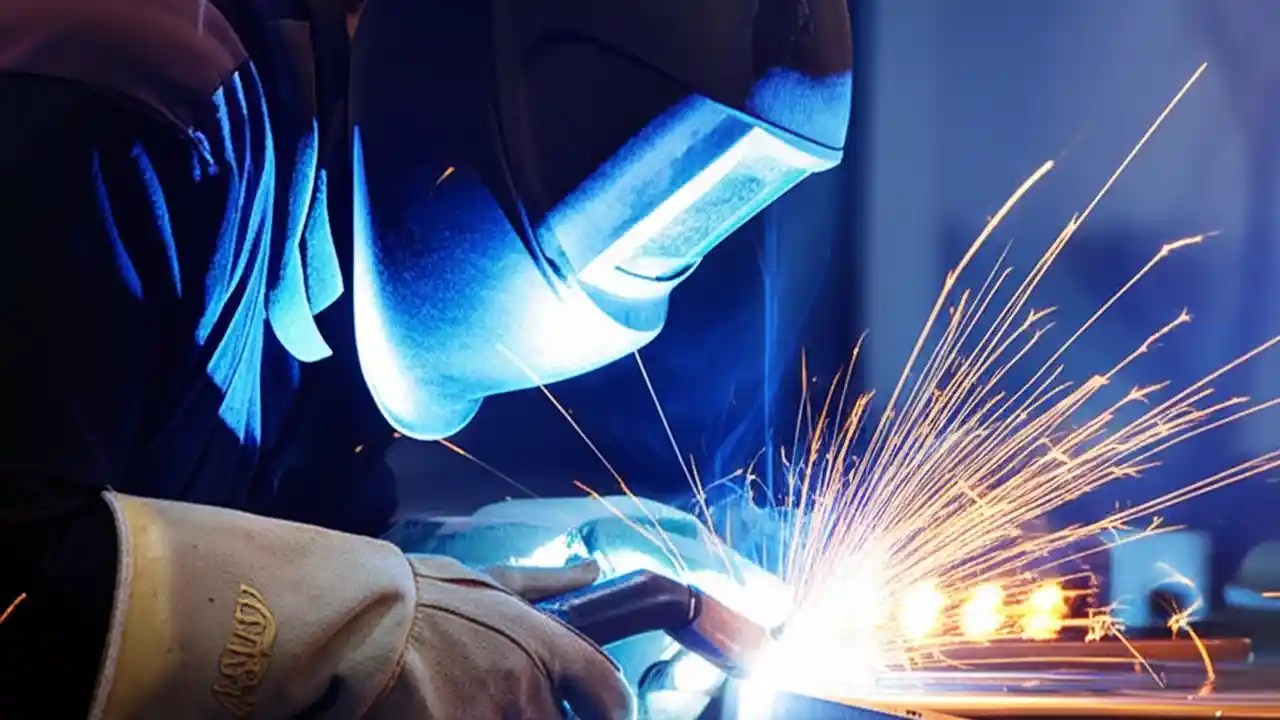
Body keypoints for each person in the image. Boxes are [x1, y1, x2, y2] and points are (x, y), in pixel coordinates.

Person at [0, 0, 850, 717]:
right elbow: (16, 588)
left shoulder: (316, 266)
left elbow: (269, 544)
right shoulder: (131, 101)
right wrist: (365, 632)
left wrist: (466, 578)